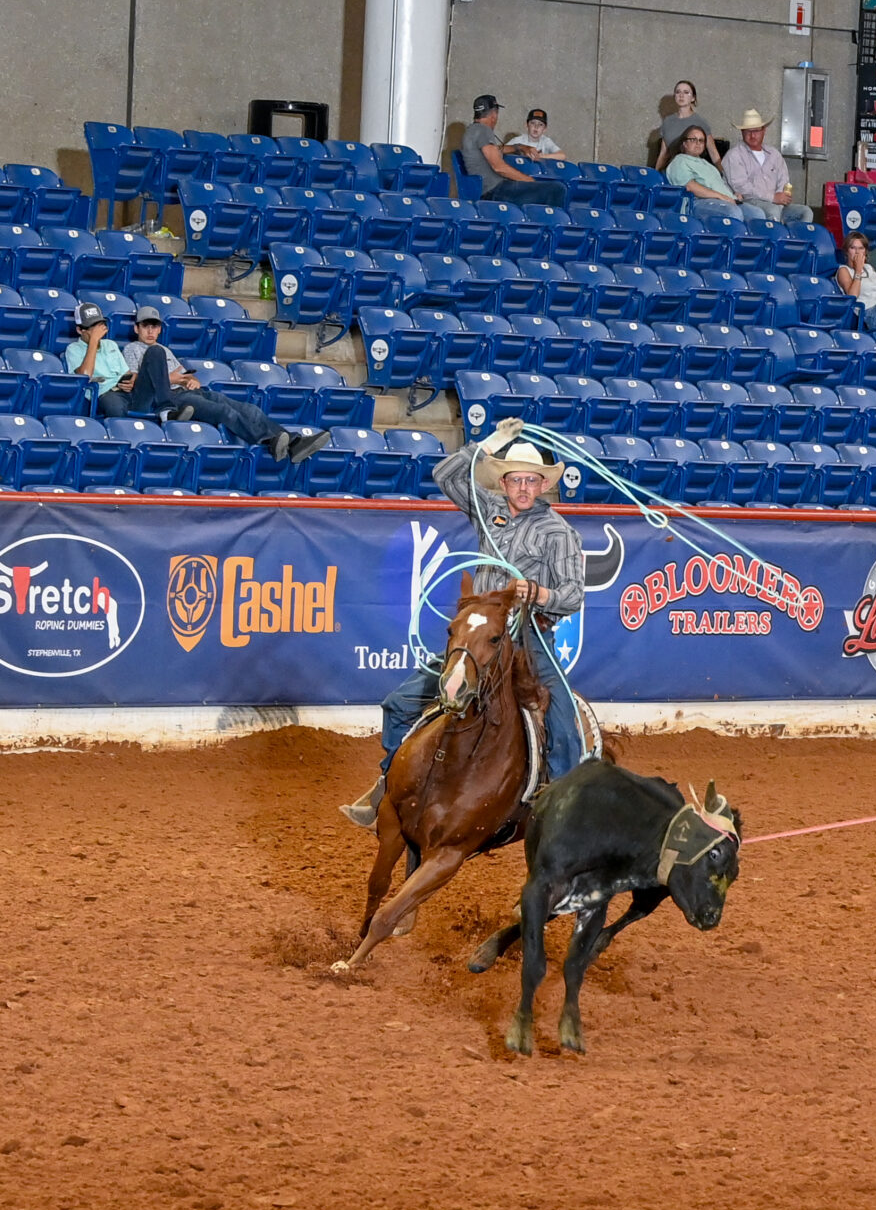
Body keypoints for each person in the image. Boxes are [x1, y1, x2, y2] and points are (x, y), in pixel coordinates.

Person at [342, 422, 587, 831]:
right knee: (399, 703)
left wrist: (538, 594)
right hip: (478, 636)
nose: (523, 488)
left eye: (532, 480)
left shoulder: (559, 533)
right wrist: (490, 444)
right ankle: (389, 783)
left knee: (563, 716)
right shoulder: (488, 508)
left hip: (527, 637)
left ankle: (562, 801)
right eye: (515, 479)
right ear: (504, 481)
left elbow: (573, 595)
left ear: (543, 485)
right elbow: (445, 475)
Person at [114, 306, 326, 463]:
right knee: (224, 412)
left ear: (159, 329)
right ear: (136, 328)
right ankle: (269, 441)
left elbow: (183, 375)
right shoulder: (133, 349)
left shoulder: (165, 349)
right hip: (167, 398)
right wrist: (178, 379)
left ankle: (295, 442)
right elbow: (137, 380)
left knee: (248, 408)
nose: (150, 331)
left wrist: (192, 380)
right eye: (145, 326)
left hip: (185, 392)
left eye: (154, 326)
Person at [461, 94, 568, 206]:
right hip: (495, 191)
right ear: (493, 114)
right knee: (557, 189)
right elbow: (499, 167)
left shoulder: (472, 131)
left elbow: (495, 150)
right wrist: (530, 181)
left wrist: (520, 147)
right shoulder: (483, 131)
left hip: (489, 189)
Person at [723, 108, 814, 224]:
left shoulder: (774, 154)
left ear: (763, 131)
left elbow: (784, 180)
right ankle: (776, 240)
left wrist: (781, 197)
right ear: (742, 133)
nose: (752, 135)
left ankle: (797, 241)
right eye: (748, 131)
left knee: (806, 212)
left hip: (776, 204)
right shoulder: (734, 155)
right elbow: (742, 188)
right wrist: (772, 198)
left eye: (756, 131)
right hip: (749, 202)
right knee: (772, 210)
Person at [665, 127, 754, 219]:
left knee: (756, 214)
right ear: (684, 143)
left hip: (726, 200)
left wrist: (732, 194)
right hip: (698, 202)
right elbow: (690, 187)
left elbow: (718, 184)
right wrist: (721, 196)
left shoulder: (707, 164)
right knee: (732, 212)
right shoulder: (679, 161)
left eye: (701, 140)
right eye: (693, 139)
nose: (698, 143)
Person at [654, 80, 717, 169]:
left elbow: (713, 152)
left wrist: (723, 175)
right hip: (673, 170)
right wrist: (656, 174)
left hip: (694, 169)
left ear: (693, 98)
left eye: (686, 92)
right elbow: (664, 153)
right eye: (678, 92)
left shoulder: (700, 122)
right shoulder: (667, 122)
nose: (681, 95)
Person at [502, 108, 566, 161]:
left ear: (545, 129)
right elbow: (501, 152)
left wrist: (541, 156)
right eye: (533, 123)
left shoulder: (545, 141)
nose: (536, 127)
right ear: (527, 125)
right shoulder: (519, 140)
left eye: (540, 124)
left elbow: (562, 156)